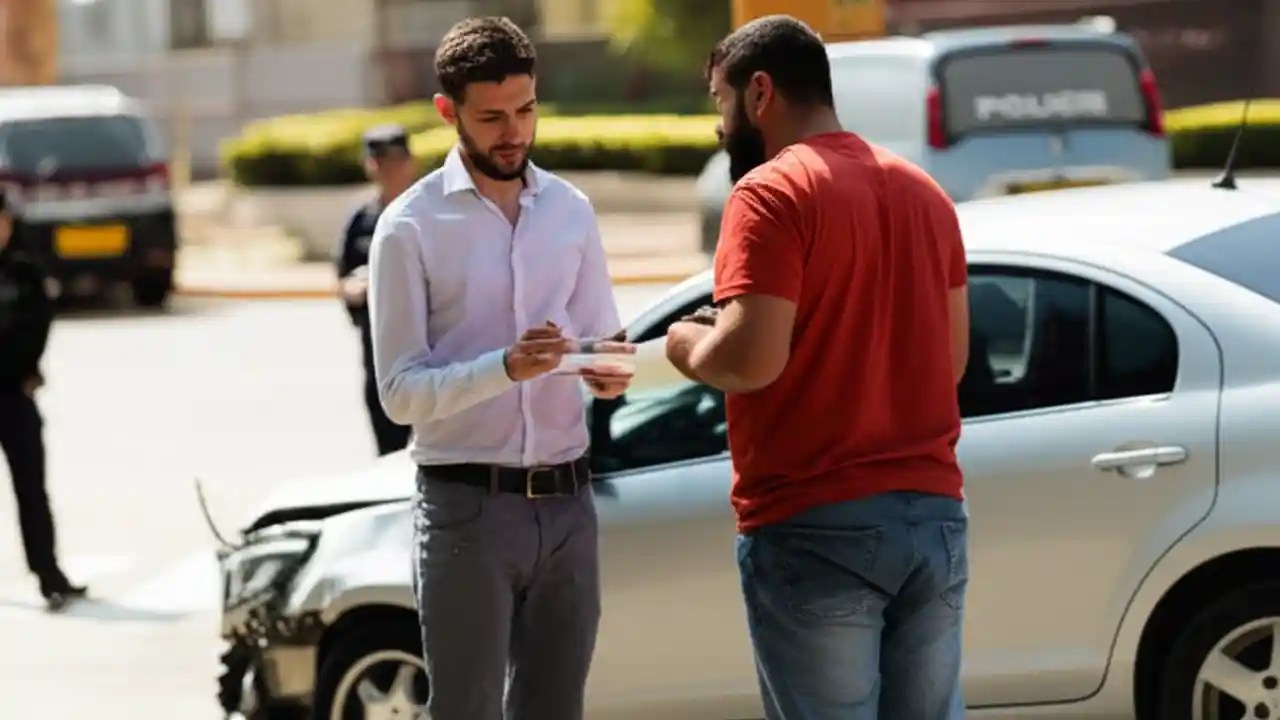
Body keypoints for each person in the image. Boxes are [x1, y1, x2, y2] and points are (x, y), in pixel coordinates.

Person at [665, 15, 971, 720]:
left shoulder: (769, 193)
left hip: (815, 522)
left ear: (760, 92)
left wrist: (686, 343)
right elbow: (949, 360)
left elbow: (749, 359)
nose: (719, 126)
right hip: (935, 520)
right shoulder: (925, 192)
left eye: (720, 102)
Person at [366, 16, 634, 720]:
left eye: (525, 110)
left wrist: (607, 370)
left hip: (571, 503)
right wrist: (504, 367)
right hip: (466, 509)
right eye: (491, 118)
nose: (513, 132)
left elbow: (601, 342)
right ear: (447, 112)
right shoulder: (408, 229)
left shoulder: (571, 212)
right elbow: (397, 396)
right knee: (469, 710)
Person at [0, 189, 87, 612]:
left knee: (32, 490)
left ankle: (49, 574)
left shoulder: (23, 270)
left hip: (14, 394)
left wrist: (30, 368)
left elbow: (39, 324)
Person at [336, 124, 418, 456]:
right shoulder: (362, 219)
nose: (388, 170)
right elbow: (342, 277)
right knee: (388, 451)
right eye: (379, 162)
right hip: (379, 348)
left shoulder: (425, 212)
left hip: (427, 346)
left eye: (395, 160)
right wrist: (355, 287)